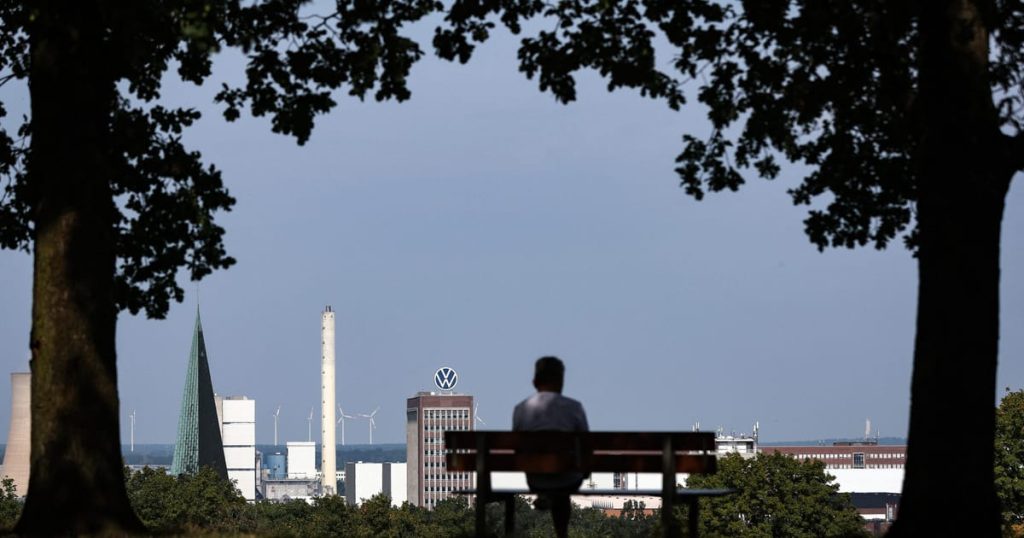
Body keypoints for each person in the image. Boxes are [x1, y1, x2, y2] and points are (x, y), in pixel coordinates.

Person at [512, 356, 589, 538]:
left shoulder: (521, 409)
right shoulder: (574, 408)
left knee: (551, 480)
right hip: (568, 477)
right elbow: (586, 446)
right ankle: (561, 534)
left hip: (535, 478)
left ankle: (545, 494)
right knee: (562, 486)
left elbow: (518, 449)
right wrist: (585, 471)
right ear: (561, 381)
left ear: (534, 382)